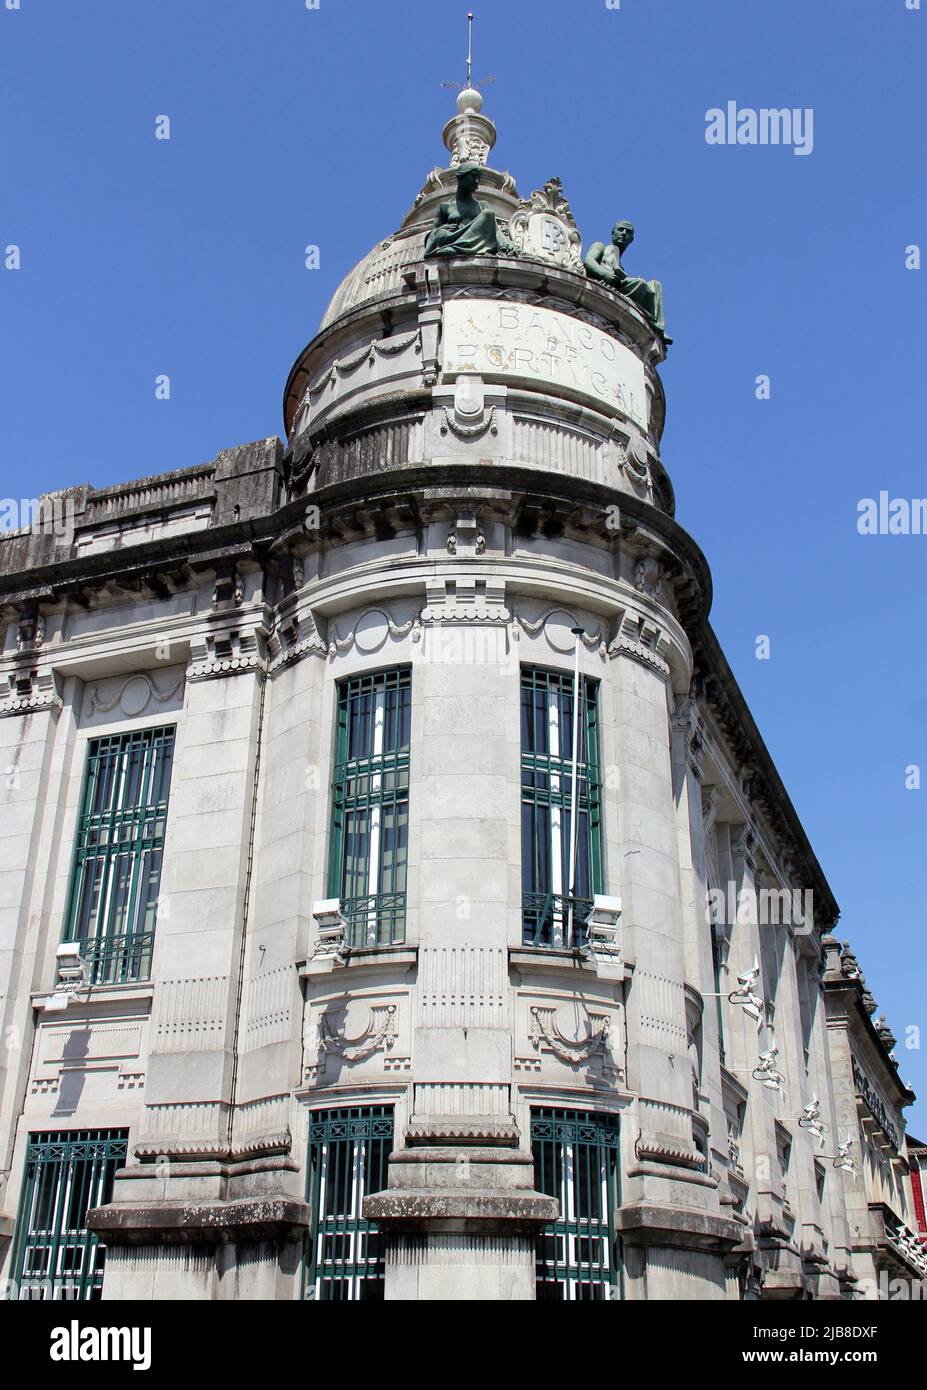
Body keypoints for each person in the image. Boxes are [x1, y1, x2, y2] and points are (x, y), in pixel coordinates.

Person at [584, 221, 670, 341]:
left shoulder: (619, 263)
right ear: (613, 233)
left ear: (631, 239)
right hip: (604, 278)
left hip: (618, 284)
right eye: (621, 230)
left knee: (655, 285)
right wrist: (604, 274)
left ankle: (657, 326)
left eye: (628, 232)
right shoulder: (601, 246)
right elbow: (588, 260)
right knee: (639, 283)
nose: (624, 233)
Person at [424, 163, 519, 259]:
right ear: (461, 178)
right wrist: (442, 229)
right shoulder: (445, 207)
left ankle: (457, 247)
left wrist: (509, 245)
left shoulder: (483, 205)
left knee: (488, 214)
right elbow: (433, 234)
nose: (476, 181)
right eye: (473, 176)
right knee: (441, 234)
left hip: (476, 240)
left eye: (478, 177)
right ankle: (454, 246)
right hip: (453, 237)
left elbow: (496, 231)